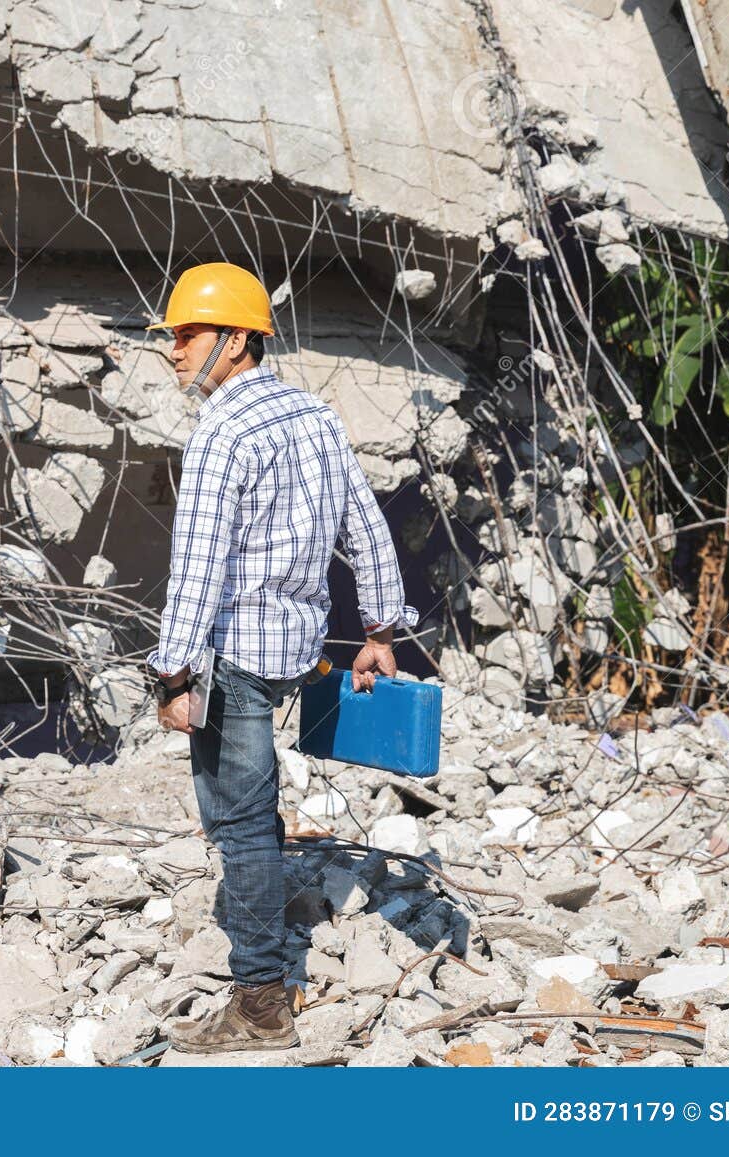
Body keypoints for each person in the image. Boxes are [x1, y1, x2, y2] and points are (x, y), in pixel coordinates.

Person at [144, 261, 417, 1053]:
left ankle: (261, 1000)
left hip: (235, 657)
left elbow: (196, 570)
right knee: (251, 807)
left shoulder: (222, 435)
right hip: (295, 647)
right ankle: (265, 955)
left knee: (242, 825)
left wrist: (170, 674)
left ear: (238, 340)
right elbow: (364, 527)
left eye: (189, 333)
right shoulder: (316, 417)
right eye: (174, 334)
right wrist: (380, 631)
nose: (175, 349)